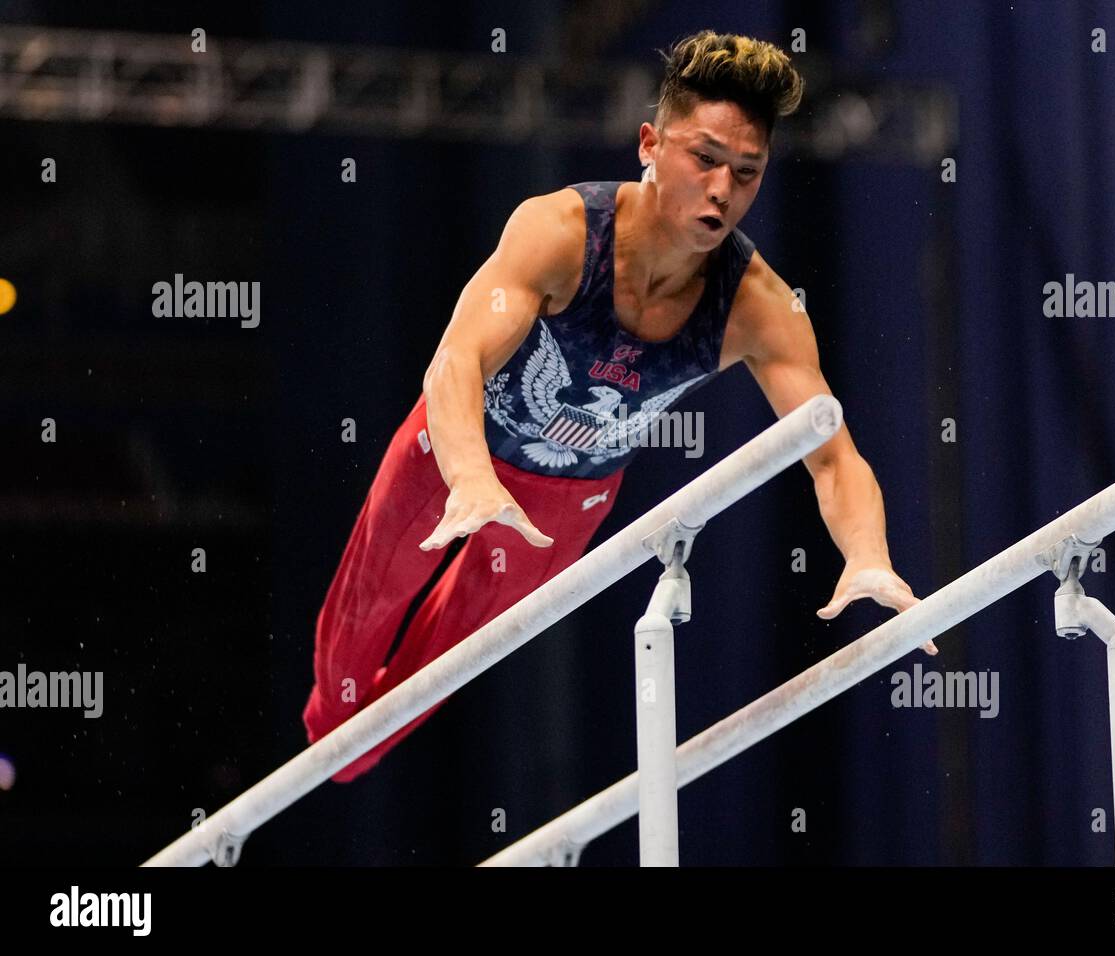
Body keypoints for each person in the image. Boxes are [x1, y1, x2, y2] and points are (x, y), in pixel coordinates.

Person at [303, 29, 938, 784]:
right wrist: (471, 474)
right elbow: (457, 360)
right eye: (704, 158)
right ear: (650, 142)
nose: (722, 190)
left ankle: (342, 764)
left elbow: (833, 455)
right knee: (363, 621)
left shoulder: (759, 307)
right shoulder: (561, 234)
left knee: (454, 659)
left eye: (746, 172)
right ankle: (328, 732)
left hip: (568, 499)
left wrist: (867, 556)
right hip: (455, 447)